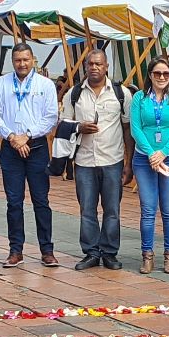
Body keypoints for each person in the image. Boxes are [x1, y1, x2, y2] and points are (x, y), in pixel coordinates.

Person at [0, 45, 59, 267]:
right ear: (12, 61)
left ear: (33, 60)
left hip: (36, 147)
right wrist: (12, 137)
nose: (22, 64)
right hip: (10, 147)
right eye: (18, 60)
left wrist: (27, 136)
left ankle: (47, 250)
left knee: (41, 200)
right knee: (13, 202)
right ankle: (15, 250)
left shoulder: (45, 85)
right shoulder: (1, 84)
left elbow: (51, 117)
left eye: (26, 59)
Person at [62, 48, 132, 271]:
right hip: (84, 161)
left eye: (98, 64)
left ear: (106, 66)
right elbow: (63, 125)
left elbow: (127, 129)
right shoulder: (74, 94)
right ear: (85, 66)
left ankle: (110, 252)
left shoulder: (121, 93)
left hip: (112, 160)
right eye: (90, 64)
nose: (94, 67)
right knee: (87, 210)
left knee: (112, 210)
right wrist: (79, 127)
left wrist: (128, 162)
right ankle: (91, 252)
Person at [127, 58, 169, 274]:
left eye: (166, 73)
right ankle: (147, 255)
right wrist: (151, 153)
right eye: (157, 73)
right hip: (144, 159)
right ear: (150, 75)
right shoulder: (139, 97)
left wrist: (163, 152)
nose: (162, 77)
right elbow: (136, 128)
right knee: (147, 209)